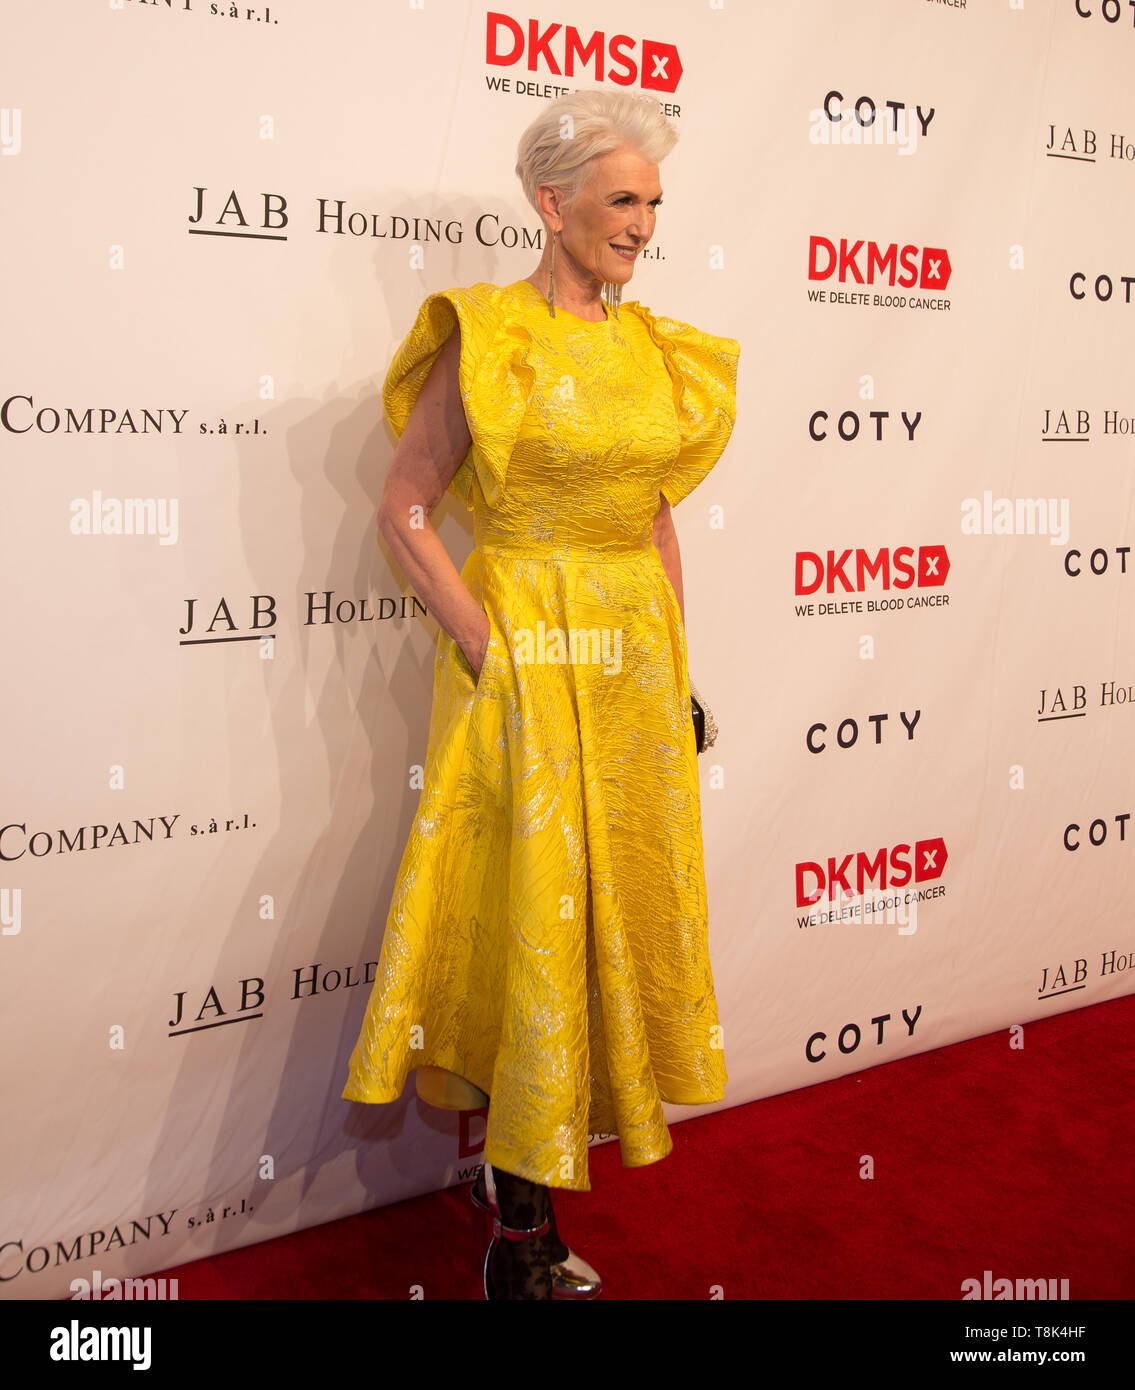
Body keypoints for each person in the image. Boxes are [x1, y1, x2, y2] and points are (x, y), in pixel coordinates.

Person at [341, 88, 740, 1300]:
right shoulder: (489, 336)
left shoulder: (654, 349)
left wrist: (674, 667)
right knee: (530, 917)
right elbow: (404, 509)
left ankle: (533, 1166)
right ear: (550, 201)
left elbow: (652, 518)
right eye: (621, 200)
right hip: (524, 656)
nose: (642, 225)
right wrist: (481, 647)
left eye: (653, 203)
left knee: (605, 913)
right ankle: (521, 1234)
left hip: (625, 661)